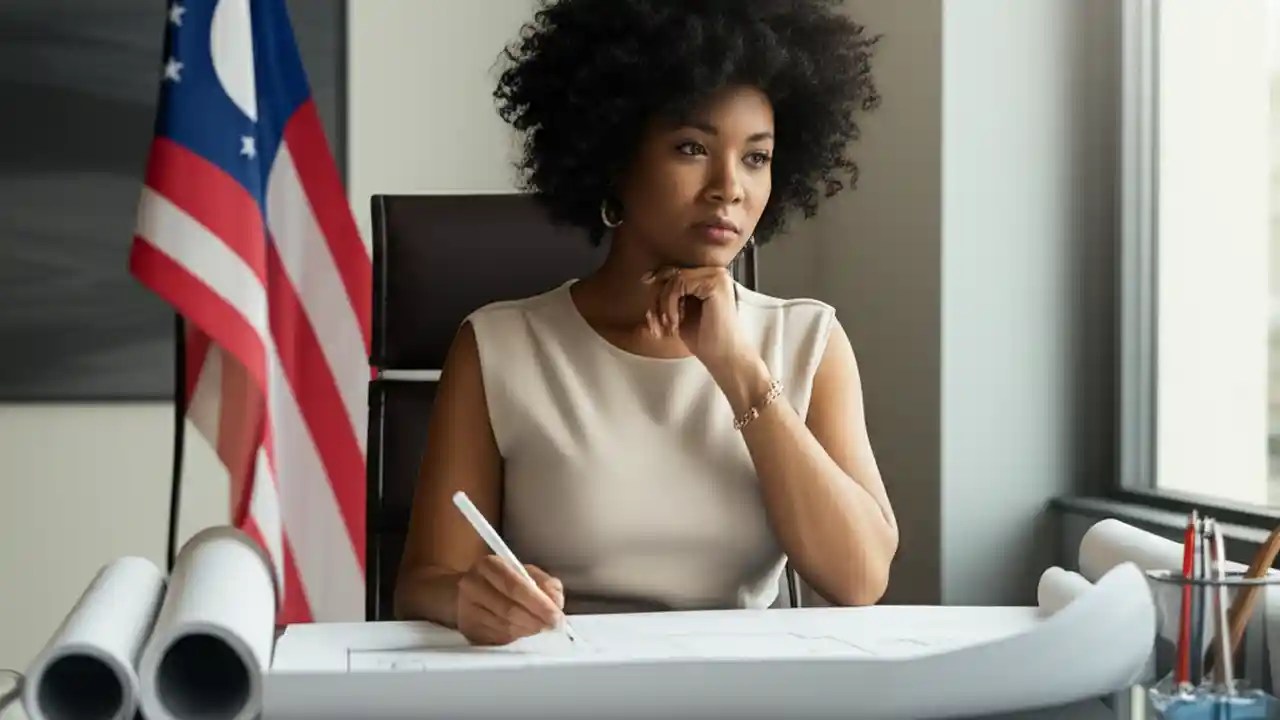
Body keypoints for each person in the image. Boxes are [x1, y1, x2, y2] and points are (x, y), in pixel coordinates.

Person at [394, 0, 898, 646]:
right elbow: (422, 582)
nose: (728, 188)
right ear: (615, 156)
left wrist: (739, 371)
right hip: (563, 691)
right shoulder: (498, 349)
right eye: (693, 148)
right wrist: (471, 599)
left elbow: (861, 578)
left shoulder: (808, 343)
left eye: (756, 157)